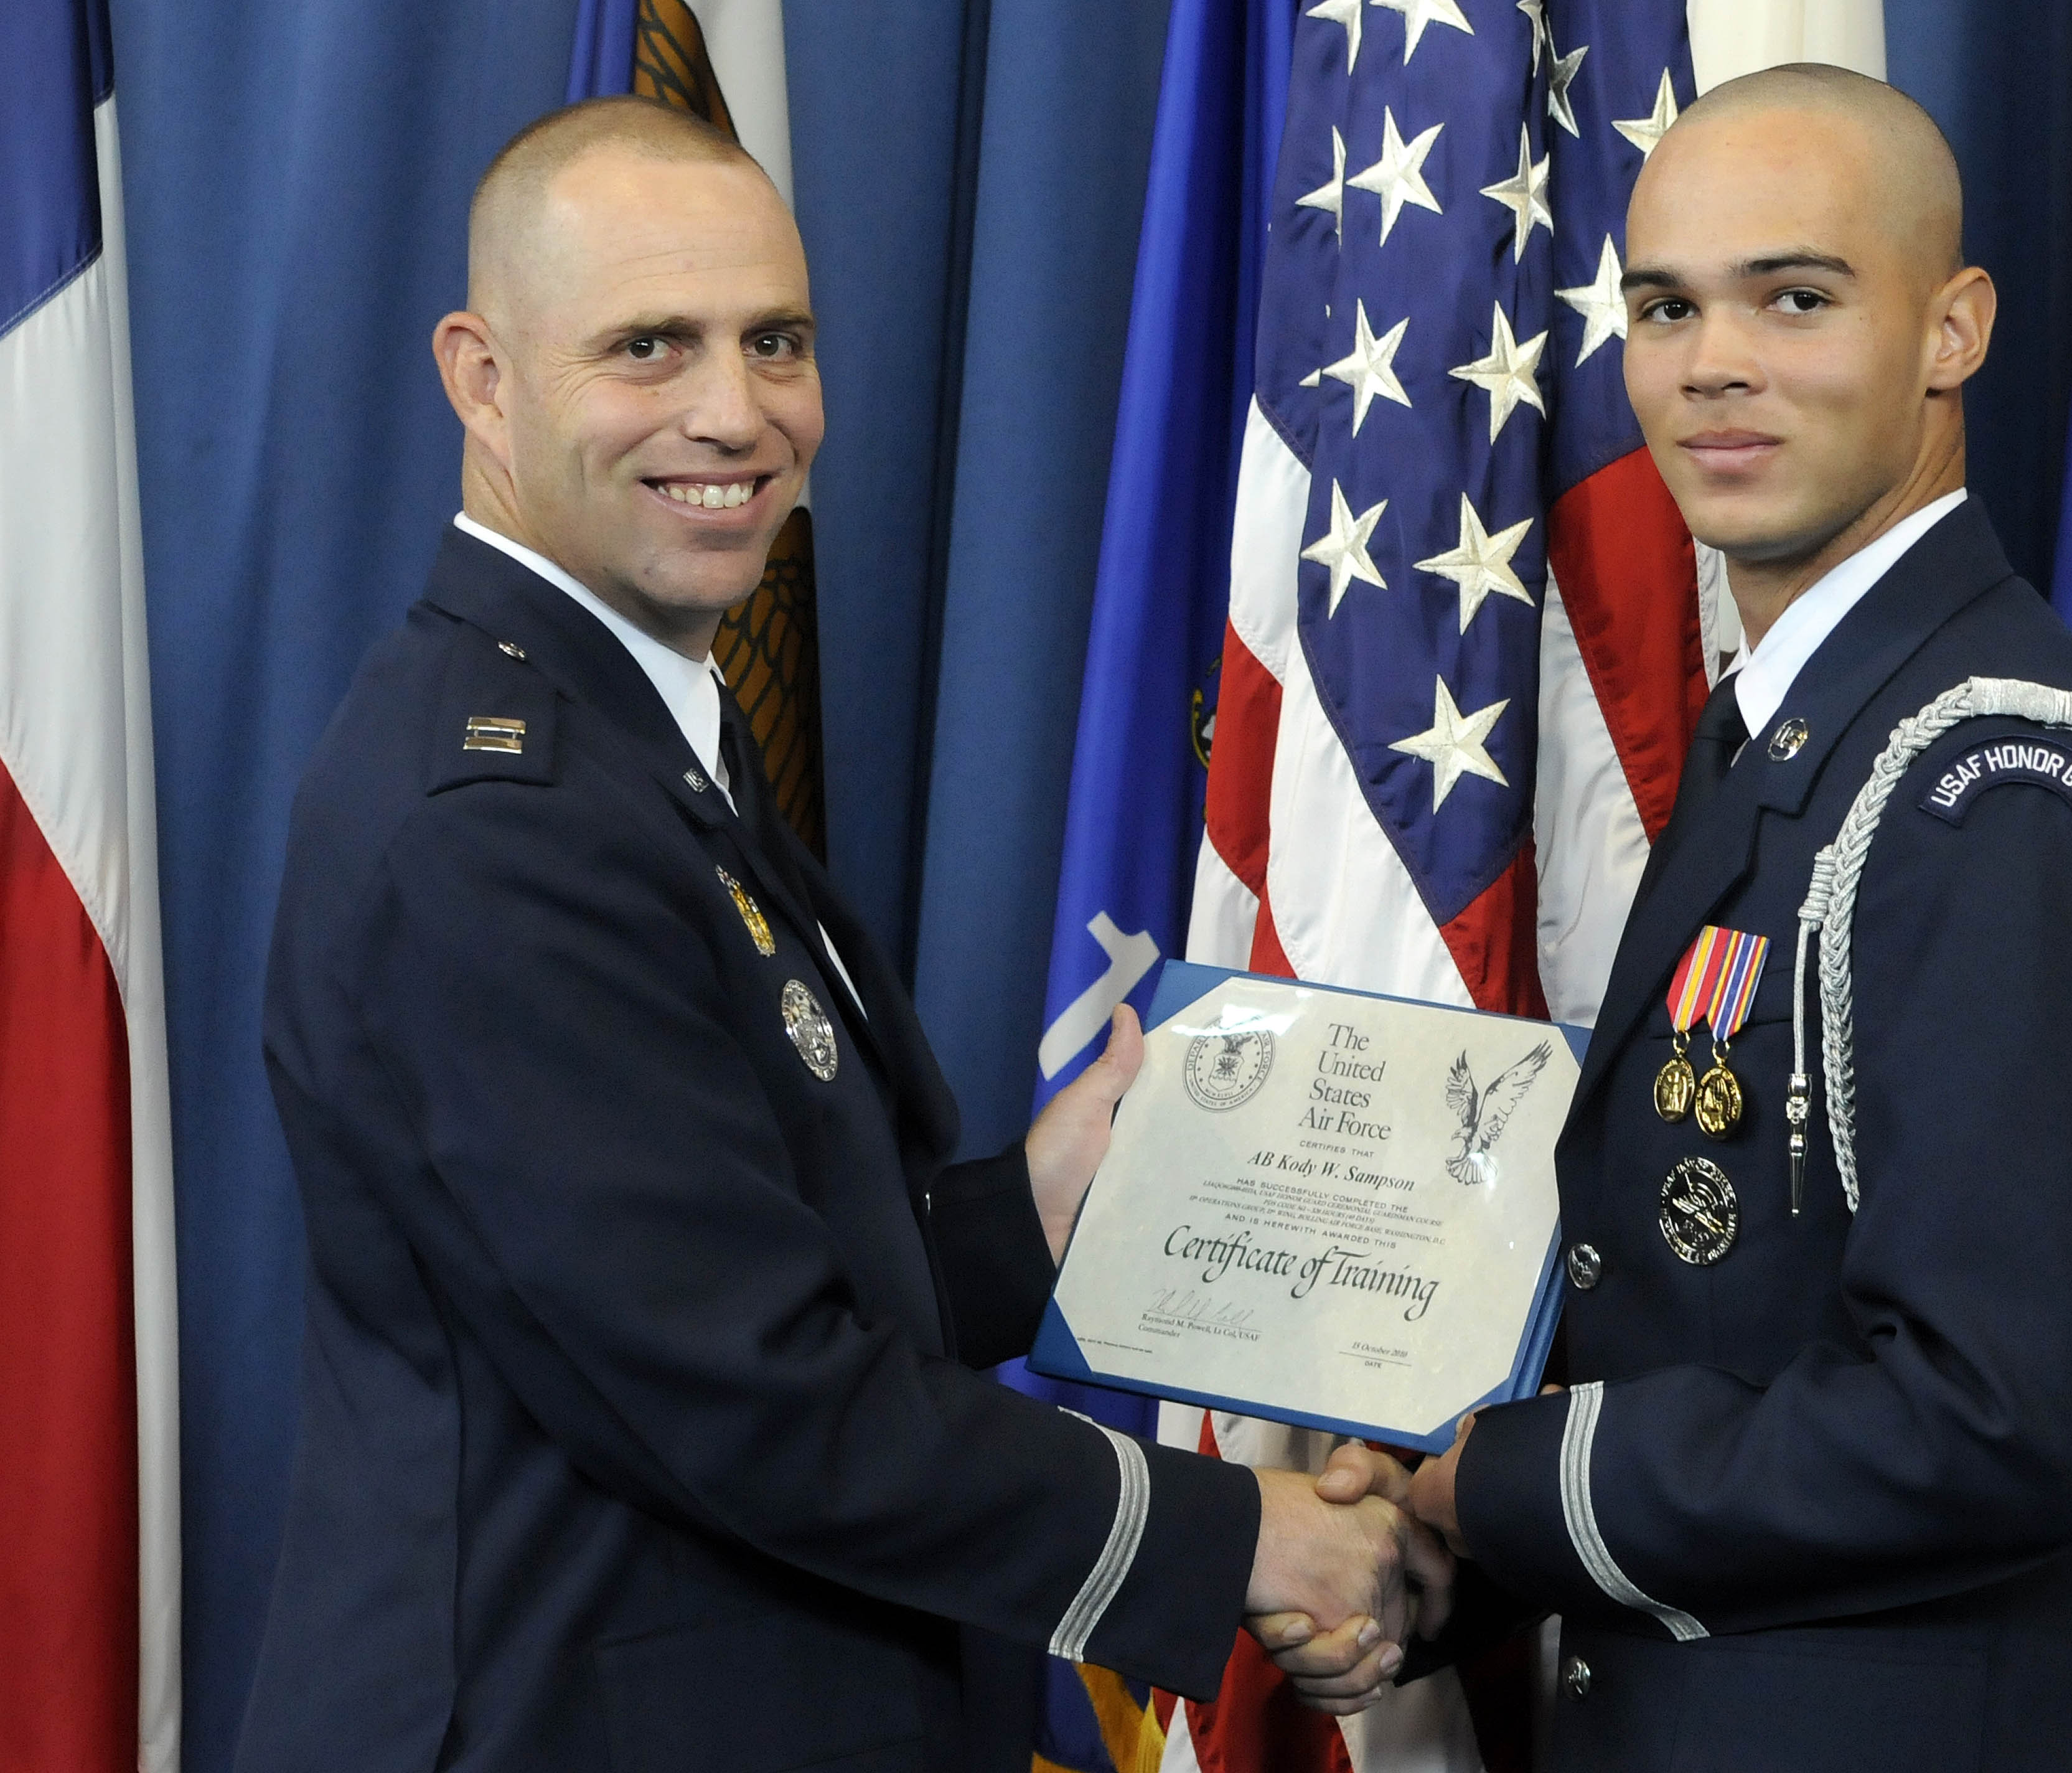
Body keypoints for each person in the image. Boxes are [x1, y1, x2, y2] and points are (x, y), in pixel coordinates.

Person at [239, 96, 1443, 1773]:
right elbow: (754, 1394)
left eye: (777, 339)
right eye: (649, 347)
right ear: (483, 378)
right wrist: (1247, 1539)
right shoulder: (495, 828)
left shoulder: (630, 725)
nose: (735, 412)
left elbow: (732, 1257)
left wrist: (1034, 1209)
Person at [1264, 64, 2072, 1771]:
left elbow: (2000, 1421)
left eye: (1797, 297)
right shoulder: (1796, 721)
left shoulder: (1988, 773)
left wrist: (1514, 1484)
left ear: (1953, 328)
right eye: (1664, 306)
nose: (1714, 364)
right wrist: (1451, 1548)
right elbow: (1706, 1312)